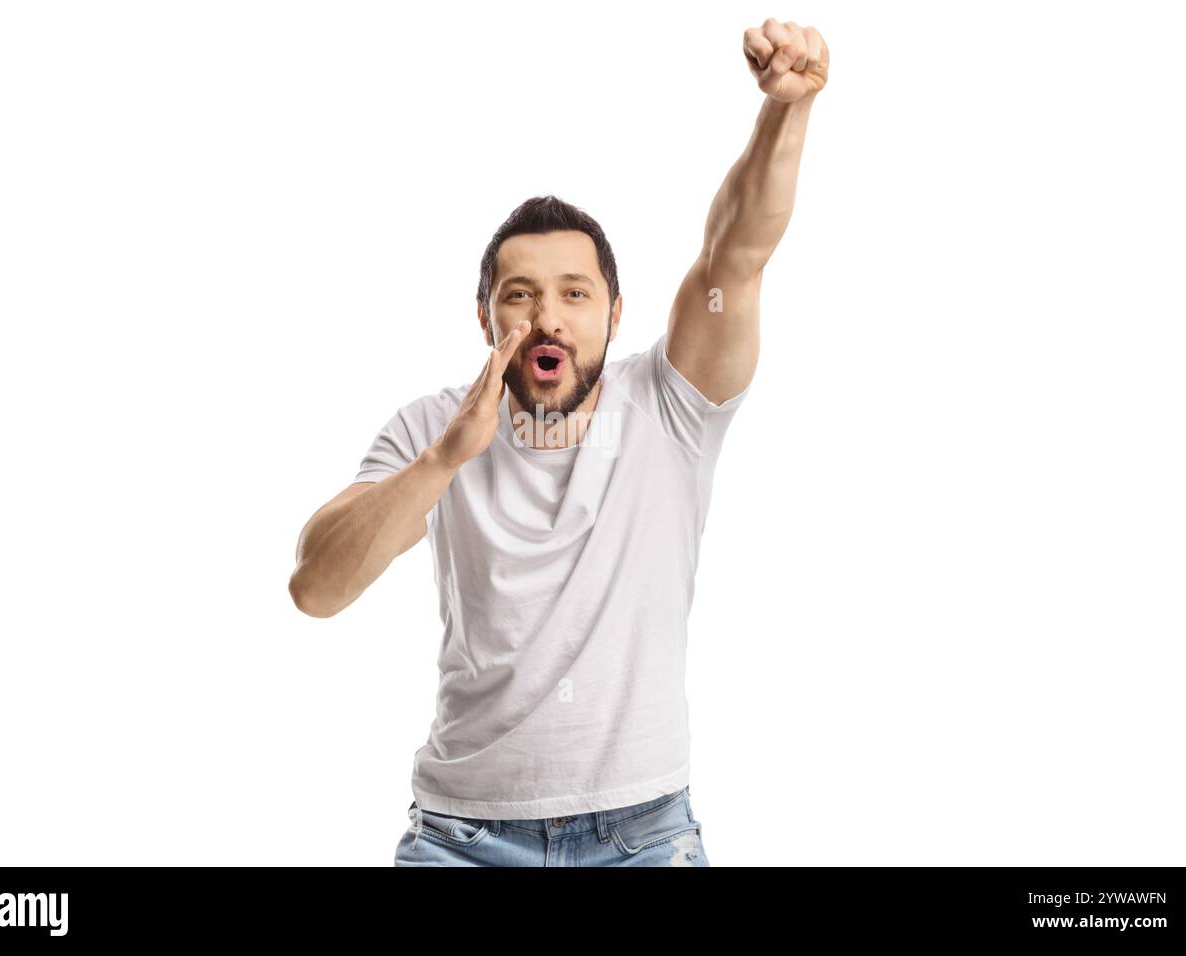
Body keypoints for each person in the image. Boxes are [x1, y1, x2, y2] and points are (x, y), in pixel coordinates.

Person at [288, 18, 828, 866]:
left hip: (642, 835)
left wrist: (784, 112)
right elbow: (316, 588)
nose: (547, 317)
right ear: (485, 318)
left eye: (575, 293)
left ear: (615, 315)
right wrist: (445, 460)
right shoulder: (433, 427)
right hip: (461, 837)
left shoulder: (671, 406)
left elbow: (736, 258)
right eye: (520, 294)